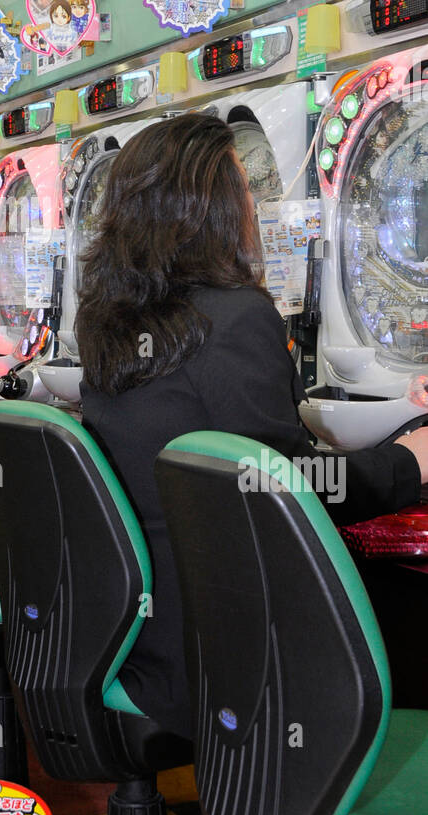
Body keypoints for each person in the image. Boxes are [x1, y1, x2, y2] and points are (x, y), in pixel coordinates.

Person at [75, 113, 428, 739]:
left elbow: (257, 466)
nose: (255, 208)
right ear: (211, 209)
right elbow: (291, 493)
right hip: (230, 652)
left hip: (144, 632)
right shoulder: (234, 318)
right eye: (245, 189)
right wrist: (412, 463)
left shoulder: (110, 320)